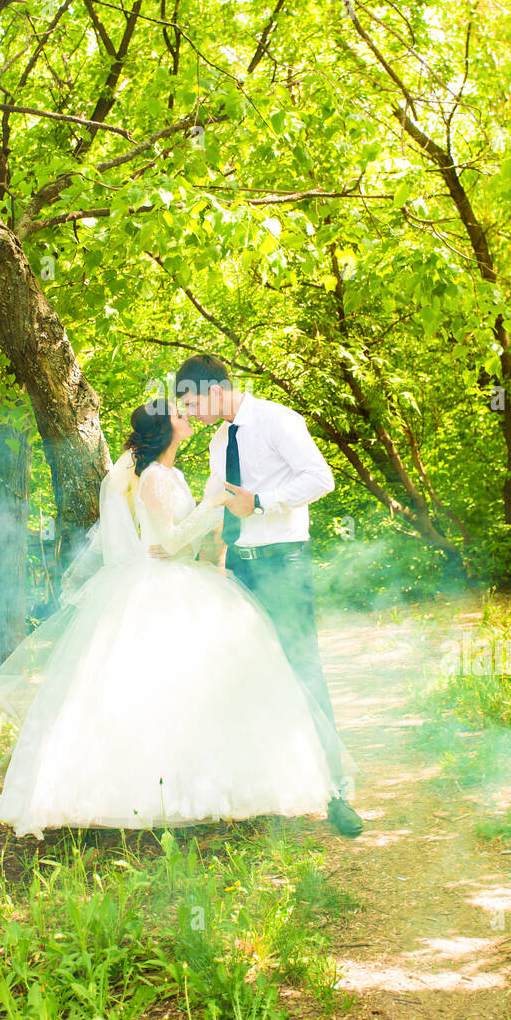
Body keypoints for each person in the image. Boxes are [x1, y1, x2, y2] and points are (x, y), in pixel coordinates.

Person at [0, 397, 356, 839]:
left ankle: (214, 787)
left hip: (188, 575)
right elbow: (168, 541)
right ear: (162, 429)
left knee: (207, 686)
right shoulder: (151, 476)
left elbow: (184, 540)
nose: (186, 416)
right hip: (160, 581)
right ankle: (152, 794)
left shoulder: (173, 473)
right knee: (159, 690)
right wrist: (213, 506)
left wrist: (211, 528)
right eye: (178, 414)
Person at [174, 353, 363, 838]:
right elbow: (214, 499)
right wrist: (173, 539)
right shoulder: (220, 441)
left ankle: (339, 790)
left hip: (284, 561)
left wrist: (259, 503)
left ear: (215, 388)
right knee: (250, 673)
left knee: (303, 665)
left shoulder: (277, 420)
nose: (190, 414)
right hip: (240, 566)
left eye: (192, 402)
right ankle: (269, 788)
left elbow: (322, 478)